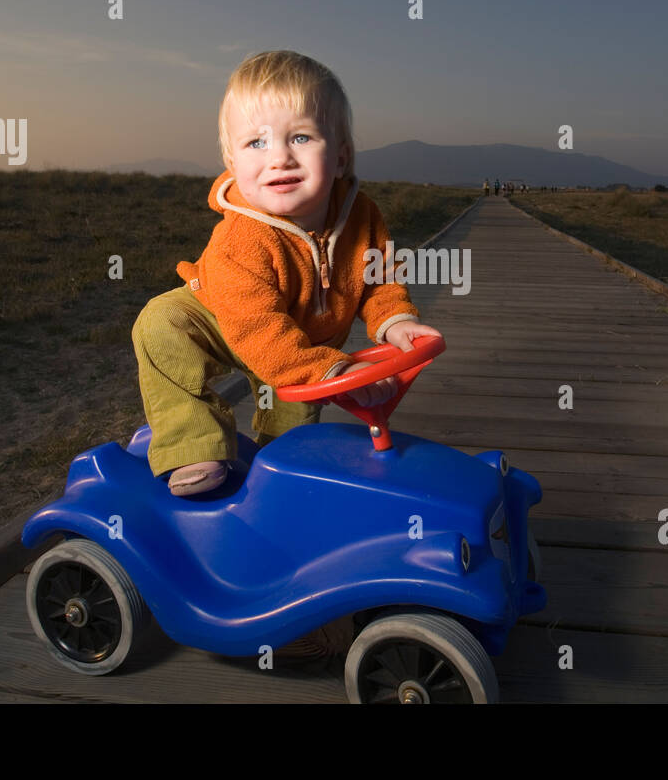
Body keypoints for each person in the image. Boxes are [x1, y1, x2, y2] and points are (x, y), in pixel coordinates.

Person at [132, 50, 443, 498]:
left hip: (302, 336)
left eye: (300, 137)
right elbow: (258, 328)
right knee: (159, 323)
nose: (279, 158)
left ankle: (278, 470)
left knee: (293, 417)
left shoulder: (361, 214)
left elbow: (378, 277)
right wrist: (332, 367)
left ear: (340, 157)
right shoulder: (241, 239)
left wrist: (396, 320)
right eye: (256, 143)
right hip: (225, 317)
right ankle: (193, 444)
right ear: (232, 160)